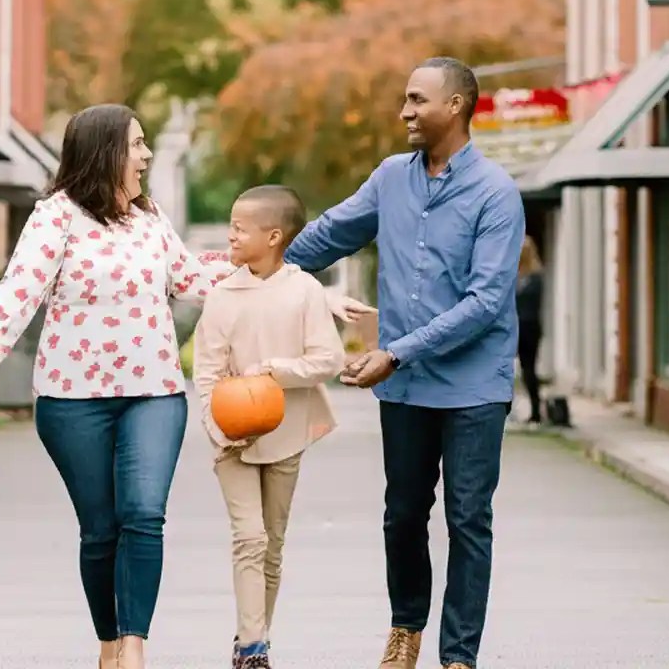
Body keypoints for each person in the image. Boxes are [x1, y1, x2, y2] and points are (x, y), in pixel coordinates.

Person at [0, 104, 369, 669]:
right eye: (137, 145)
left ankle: (134, 647)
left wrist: (308, 294)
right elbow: (13, 298)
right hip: (72, 398)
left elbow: (199, 275)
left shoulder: (149, 218)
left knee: (144, 514)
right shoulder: (55, 217)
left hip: (153, 391)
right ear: (106, 151)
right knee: (101, 529)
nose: (147, 155)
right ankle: (108, 643)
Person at [284, 57, 525, 669]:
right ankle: (405, 630)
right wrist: (258, 265)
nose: (405, 112)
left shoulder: (496, 192)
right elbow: (330, 234)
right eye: (405, 100)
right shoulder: (392, 177)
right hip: (408, 388)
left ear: (456, 106)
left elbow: (486, 302)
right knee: (402, 516)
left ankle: (459, 655)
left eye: (417, 100)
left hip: (472, 387)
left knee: (469, 518)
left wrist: (395, 352)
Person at [192, 185, 347, 669]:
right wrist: (218, 428)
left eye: (240, 228)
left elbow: (328, 359)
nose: (231, 235)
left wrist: (273, 371)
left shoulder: (304, 291)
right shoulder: (221, 296)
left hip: (286, 434)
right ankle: (253, 647)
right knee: (250, 539)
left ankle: (255, 638)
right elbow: (207, 373)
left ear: (274, 236)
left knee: (273, 545)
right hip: (232, 436)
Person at [515, 236, 544, 425]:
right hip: (515, 326)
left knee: (529, 370)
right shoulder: (515, 277)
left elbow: (528, 305)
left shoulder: (534, 278)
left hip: (527, 327)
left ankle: (536, 411)